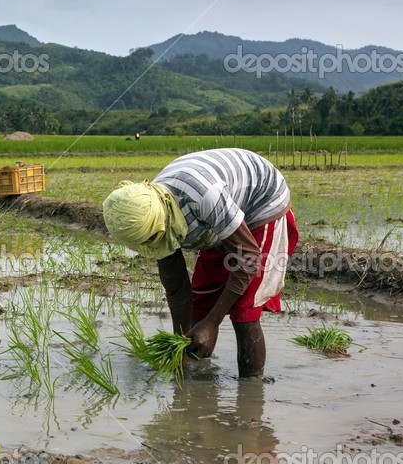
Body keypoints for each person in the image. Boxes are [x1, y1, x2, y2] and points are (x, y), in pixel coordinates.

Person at [103, 148, 298, 378]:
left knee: (244, 309)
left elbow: (248, 259)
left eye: (152, 238)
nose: (152, 244)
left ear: (161, 221)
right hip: (219, 221)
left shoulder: (204, 196)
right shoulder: (147, 210)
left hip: (260, 204)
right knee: (202, 299)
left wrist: (212, 323)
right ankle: (196, 374)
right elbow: (177, 288)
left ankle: (250, 396)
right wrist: (179, 348)